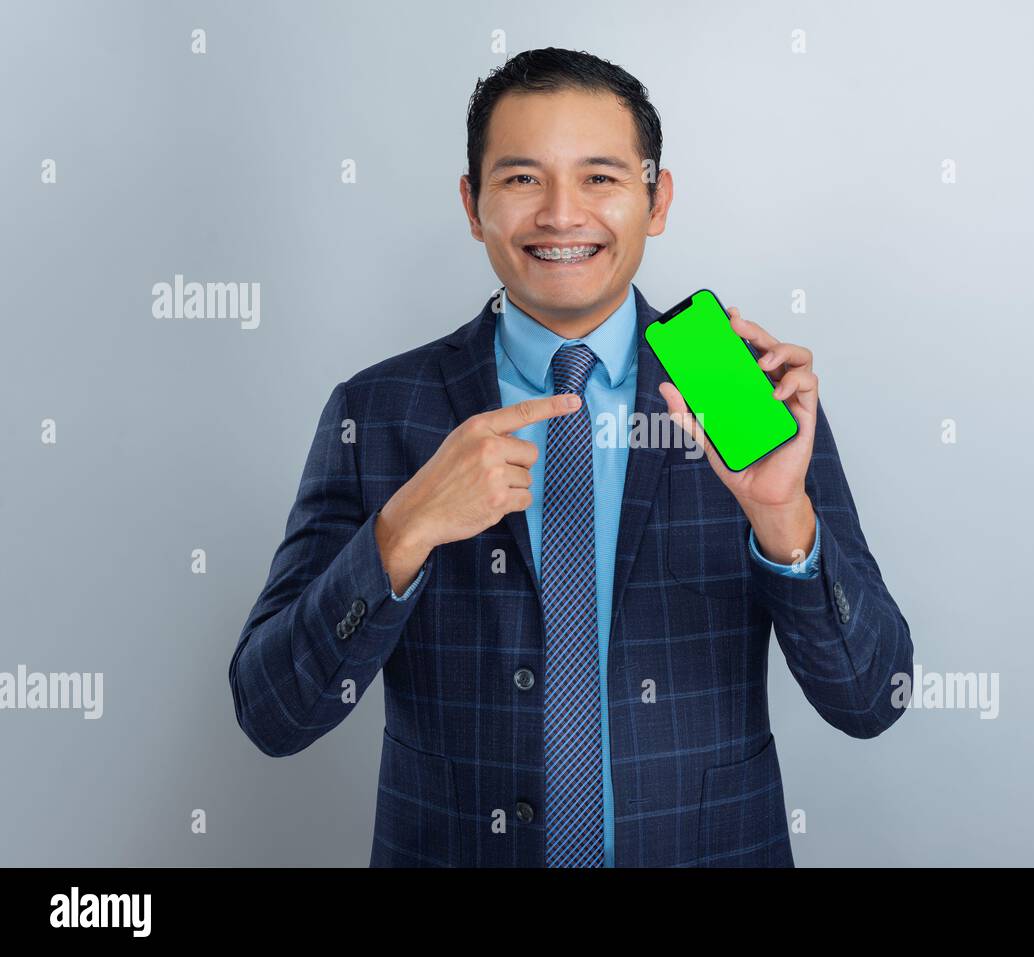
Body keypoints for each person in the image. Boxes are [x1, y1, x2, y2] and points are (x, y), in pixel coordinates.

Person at [229, 46, 913, 868]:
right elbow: (271, 713)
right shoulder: (378, 412)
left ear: (656, 200)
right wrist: (403, 529)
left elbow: (873, 698)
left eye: (600, 177)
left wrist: (781, 520)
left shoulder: (745, 396)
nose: (561, 214)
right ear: (472, 204)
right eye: (521, 178)